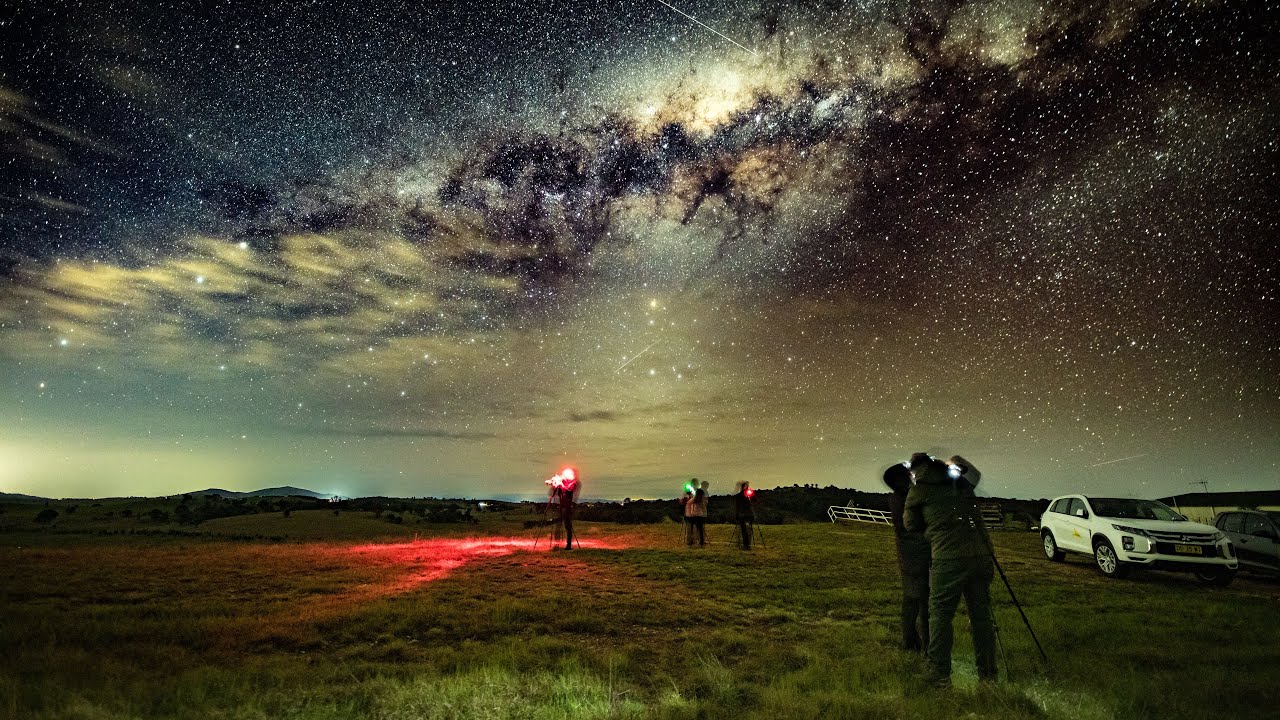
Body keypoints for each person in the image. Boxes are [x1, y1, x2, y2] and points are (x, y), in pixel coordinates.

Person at [904, 453, 995, 687]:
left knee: (941, 615)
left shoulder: (919, 490)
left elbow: (910, 524)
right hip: (981, 555)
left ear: (918, 469)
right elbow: (975, 477)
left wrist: (929, 528)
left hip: (948, 558)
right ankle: (988, 676)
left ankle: (939, 672)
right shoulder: (960, 481)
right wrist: (953, 461)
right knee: (981, 618)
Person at [884, 463, 930, 653]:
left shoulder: (897, 499)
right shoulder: (908, 500)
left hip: (908, 557)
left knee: (911, 600)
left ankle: (910, 641)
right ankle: (925, 644)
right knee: (923, 602)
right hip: (918, 556)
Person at [556, 470, 581, 550]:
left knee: (568, 526)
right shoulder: (563, 484)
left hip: (567, 508)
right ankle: (557, 544)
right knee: (558, 525)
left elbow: (569, 491)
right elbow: (559, 494)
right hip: (562, 506)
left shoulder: (573, 484)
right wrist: (559, 487)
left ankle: (568, 545)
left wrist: (561, 485)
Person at [733, 481, 755, 549]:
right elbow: (738, 506)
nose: (747, 487)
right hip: (743, 514)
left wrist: (750, 496)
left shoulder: (749, 495)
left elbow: (754, 502)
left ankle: (747, 544)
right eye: (746, 486)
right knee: (744, 531)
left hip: (748, 514)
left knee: (748, 531)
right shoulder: (739, 496)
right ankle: (745, 545)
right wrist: (737, 514)